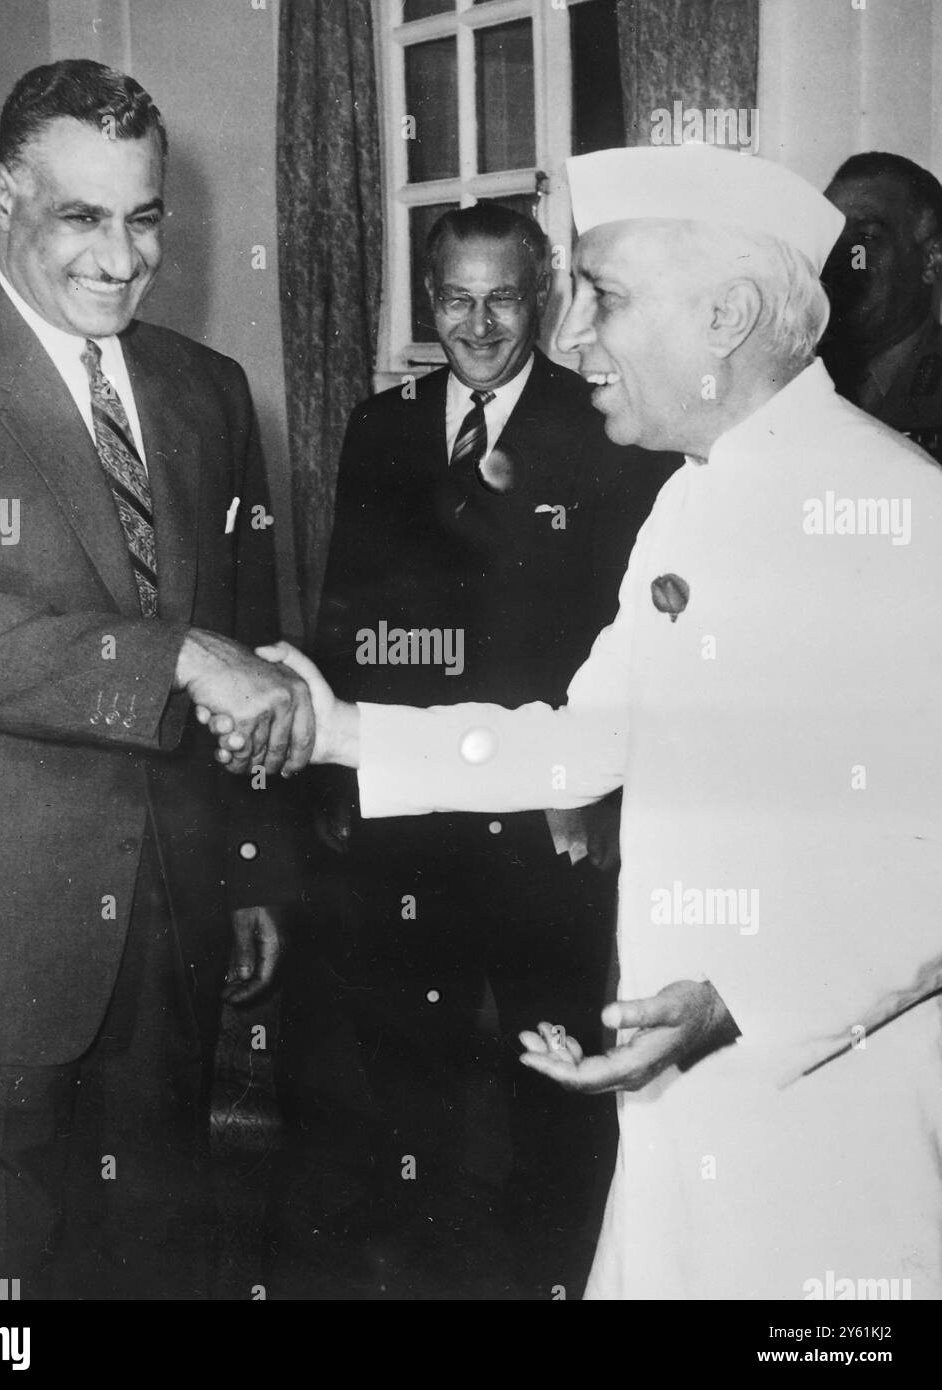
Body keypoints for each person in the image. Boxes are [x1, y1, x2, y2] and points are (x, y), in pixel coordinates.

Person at [208, 144, 942, 1300]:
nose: (574, 342)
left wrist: (742, 997)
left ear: (727, 316)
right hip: (676, 1106)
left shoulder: (896, 514)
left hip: (827, 1130)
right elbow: (575, 734)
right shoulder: (695, 499)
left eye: (601, 300)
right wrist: (340, 726)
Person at [0, 58, 312, 1301]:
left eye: (145, 215)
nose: (122, 257)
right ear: (7, 195)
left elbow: (250, 644)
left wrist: (248, 870)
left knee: (154, 1264)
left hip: (168, 933)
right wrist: (174, 655)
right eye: (81, 215)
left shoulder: (207, 390)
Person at [264, 201, 677, 1299]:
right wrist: (341, 775)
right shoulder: (381, 424)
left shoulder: (606, 428)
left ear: (538, 297)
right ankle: (430, 1263)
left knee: (555, 1067)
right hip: (407, 806)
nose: (480, 323)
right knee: (411, 1063)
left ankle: (555, 1271)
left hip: (548, 806)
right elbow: (349, 608)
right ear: (427, 301)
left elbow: (619, 637)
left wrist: (599, 792)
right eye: (456, 299)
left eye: (503, 297)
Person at [821, 151, 942, 461]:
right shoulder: (790, 375)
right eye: (830, 234)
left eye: (866, 236)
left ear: (930, 260)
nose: (844, 256)